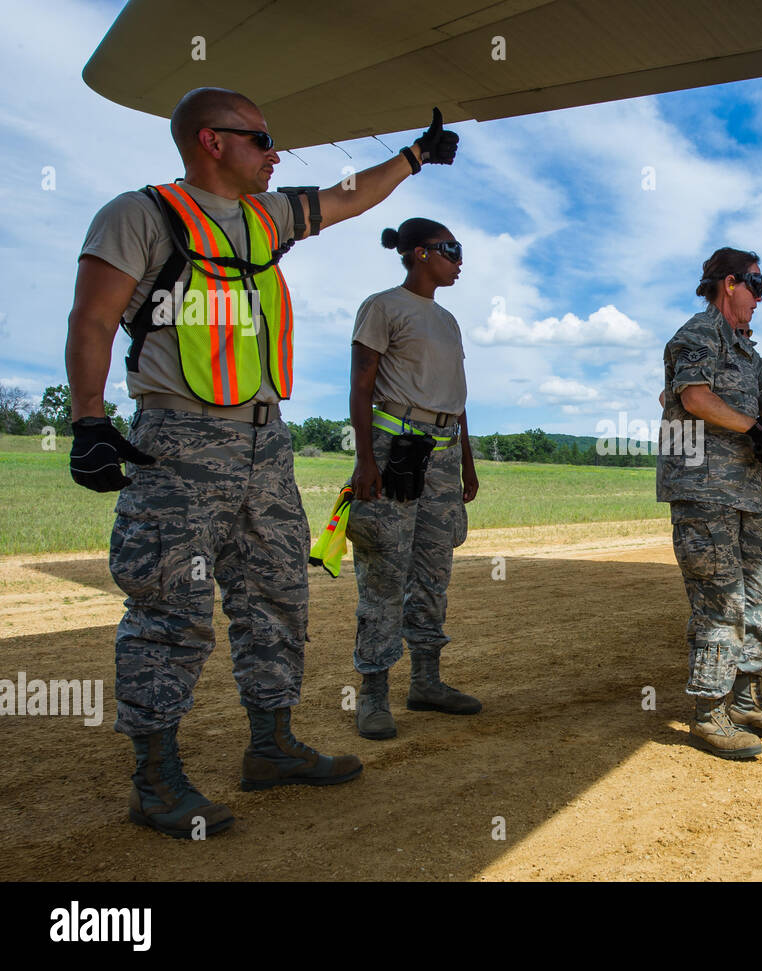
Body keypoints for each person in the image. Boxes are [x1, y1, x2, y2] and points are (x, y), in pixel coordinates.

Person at [66, 86, 459, 838]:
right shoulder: (140, 215)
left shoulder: (265, 217)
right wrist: (89, 416)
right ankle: (154, 780)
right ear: (211, 142)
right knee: (167, 609)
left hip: (266, 439)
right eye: (261, 138)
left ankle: (271, 746)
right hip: (177, 439)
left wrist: (413, 158)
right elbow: (91, 315)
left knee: (279, 594)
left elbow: (346, 198)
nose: (275, 153)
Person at [658, 247, 762, 759]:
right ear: (729, 283)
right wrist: (756, 430)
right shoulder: (697, 335)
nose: (760, 299)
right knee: (720, 600)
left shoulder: (743, 349)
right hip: (703, 490)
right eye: (757, 286)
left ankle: (744, 697)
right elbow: (695, 397)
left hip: (745, 490)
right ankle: (709, 710)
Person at [348, 219, 480, 740]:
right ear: (420, 254)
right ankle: (373, 693)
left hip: (444, 454)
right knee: (384, 569)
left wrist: (468, 460)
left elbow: (459, 398)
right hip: (393, 449)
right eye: (452, 250)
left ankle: (426, 681)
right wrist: (365, 460)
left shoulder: (448, 320)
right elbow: (360, 386)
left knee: (433, 568)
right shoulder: (382, 307)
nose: (459, 259)